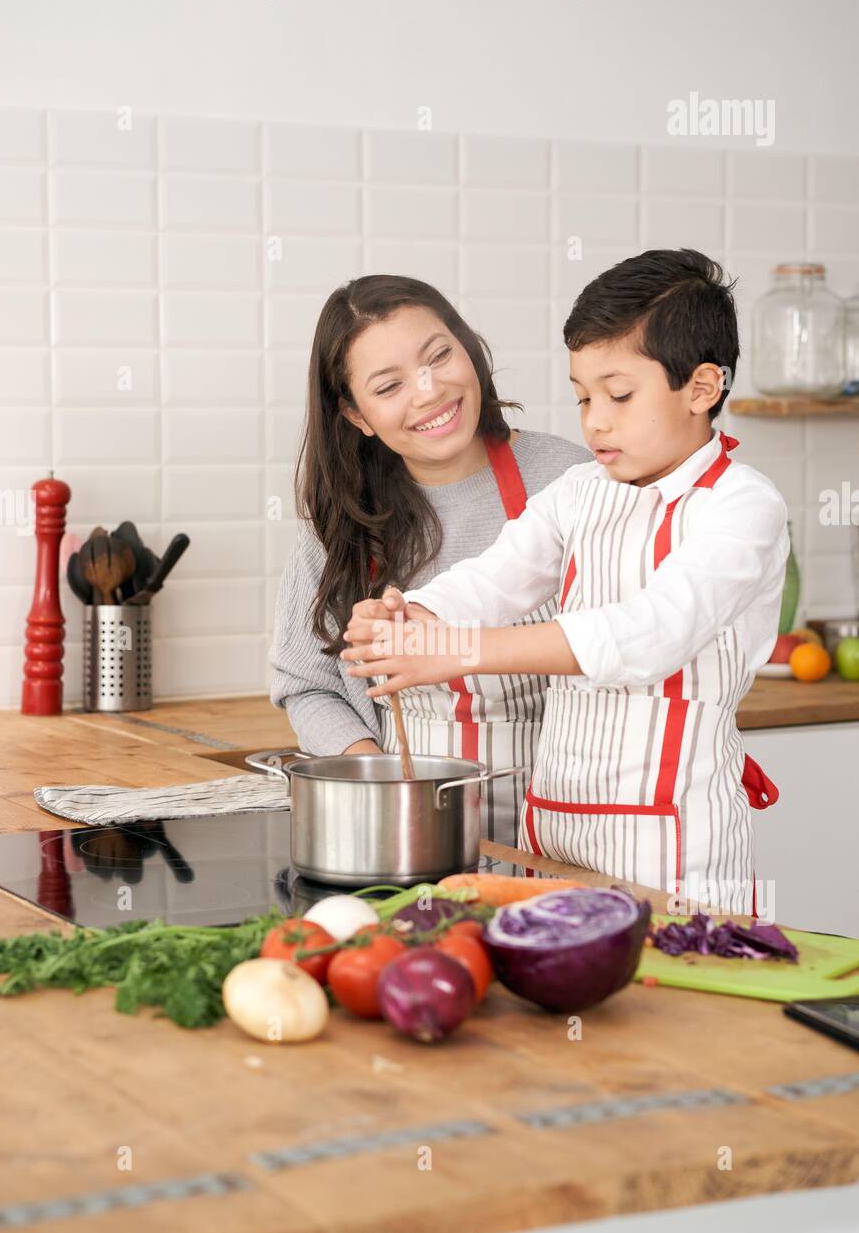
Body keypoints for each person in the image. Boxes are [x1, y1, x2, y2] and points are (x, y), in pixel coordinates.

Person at [342, 250, 789, 915]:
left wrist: (461, 651)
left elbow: (648, 635)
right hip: (554, 830)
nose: (596, 421)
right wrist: (412, 614)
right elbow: (498, 577)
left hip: (673, 847)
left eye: (619, 395)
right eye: (583, 396)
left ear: (701, 388)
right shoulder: (581, 490)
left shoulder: (741, 507)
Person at [269, 274, 591, 847]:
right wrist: (381, 780)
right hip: (409, 834)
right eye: (388, 386)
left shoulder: (569, 479)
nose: (428, 392)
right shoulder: (341, 522)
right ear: (356, 414)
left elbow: (618, 647)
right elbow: (306, 685)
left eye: (439, 356)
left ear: (469, 348)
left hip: (568, 826)